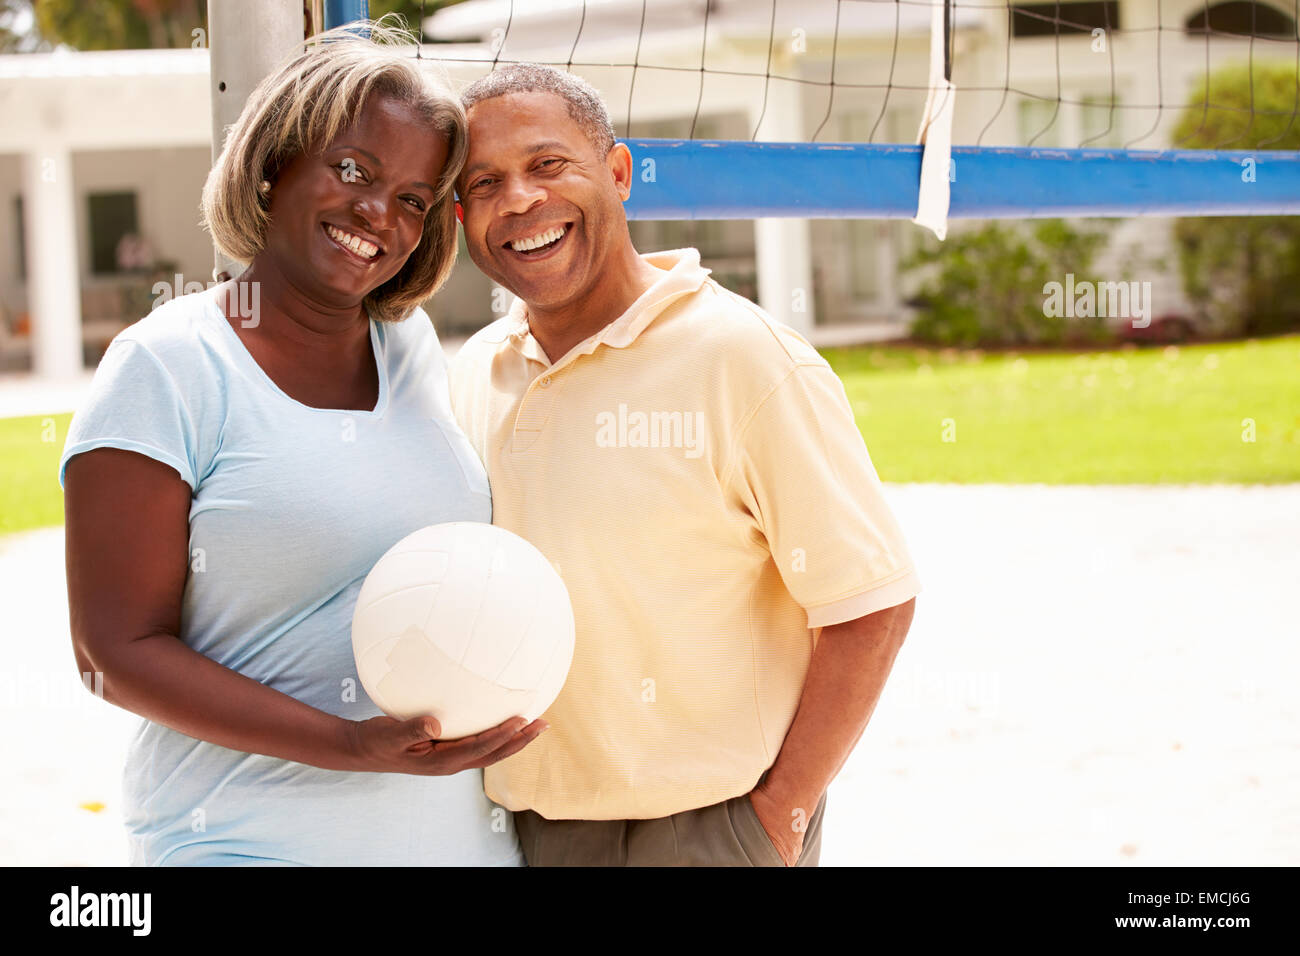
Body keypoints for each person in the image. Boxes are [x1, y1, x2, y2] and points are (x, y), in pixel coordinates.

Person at [60, 22, 544, 867]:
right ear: (274, 162)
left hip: (449, 846)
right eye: (353, 170)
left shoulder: (413, 352)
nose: (375, 214)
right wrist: (346, 742)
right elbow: (111, 654)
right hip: (243, 845)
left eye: (412, 199)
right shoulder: (167, 365)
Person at [448, 64, 921, 867]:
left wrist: (779, 819)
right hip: (531, 831)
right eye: (485, 183)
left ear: (620, 173)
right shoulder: (474, 370)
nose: (521, 199)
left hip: (714, 832)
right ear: (461, 217)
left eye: (548, 164)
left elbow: (871, 605)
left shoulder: (748, 359)